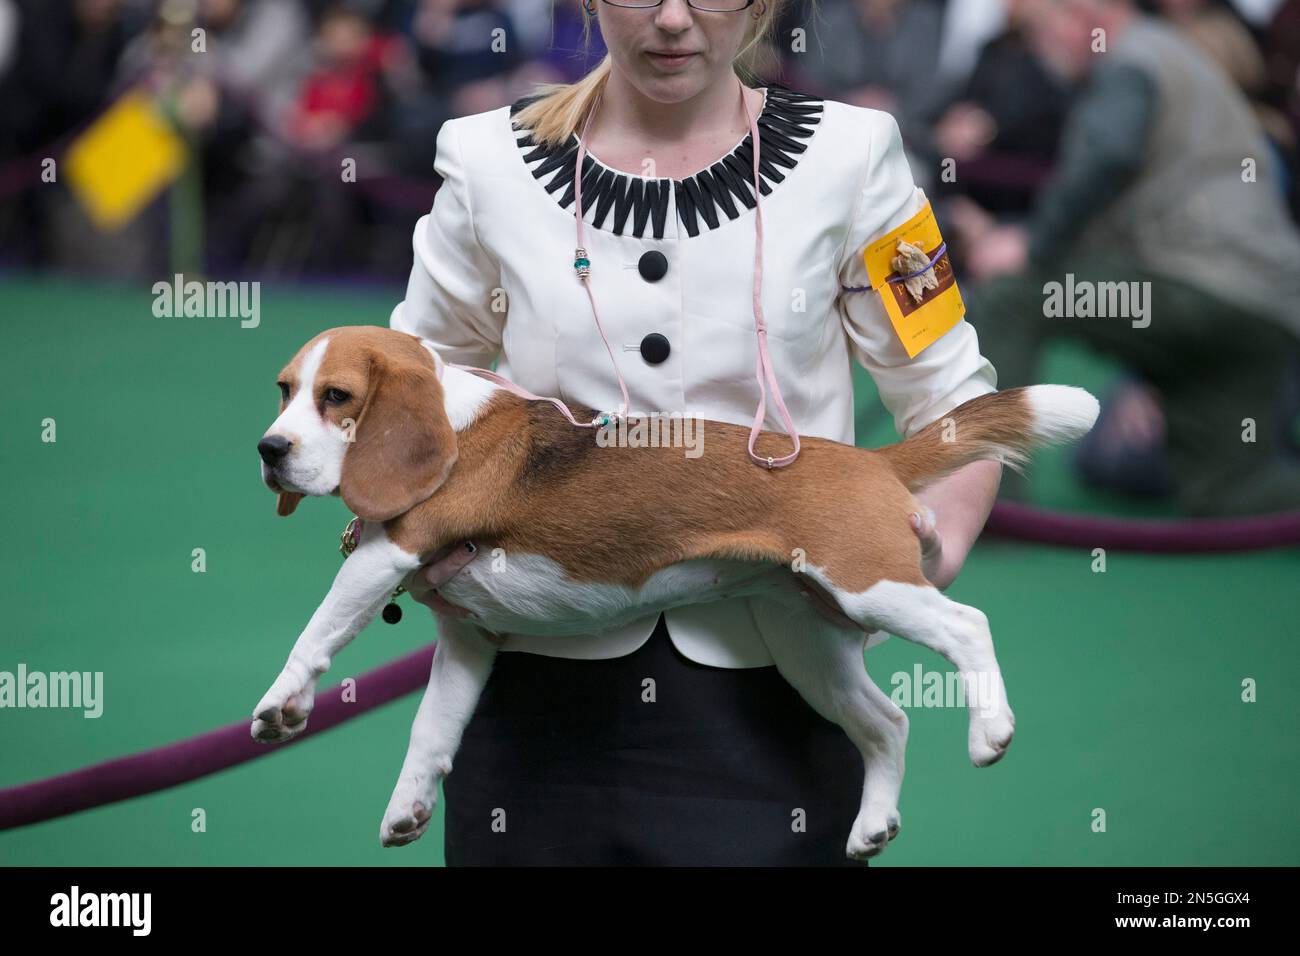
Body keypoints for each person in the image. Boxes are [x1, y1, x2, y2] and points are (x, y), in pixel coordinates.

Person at [388, 0, 1002, 865]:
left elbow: (953, 397)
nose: (672, 19)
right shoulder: (486, 160)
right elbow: (413, 389)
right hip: (534, 689)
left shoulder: (856, 156)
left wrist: (928, 561)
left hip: (778, 698)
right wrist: (419, 539)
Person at [954, 0, 1300, 516]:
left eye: (1045, 32)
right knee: (1229, 493)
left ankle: (984, 501)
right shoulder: (1171, 56)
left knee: (1010, 297)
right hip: (1264, 315)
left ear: (1086, 18)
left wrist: (1028, 244)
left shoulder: (1131, 62)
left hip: (1196, 293)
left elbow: (1107, 158)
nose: (1039, 49)